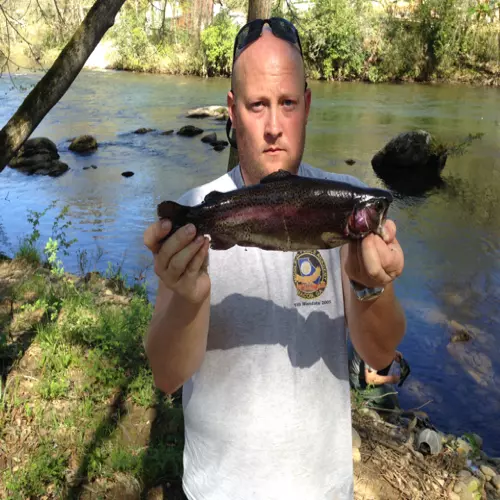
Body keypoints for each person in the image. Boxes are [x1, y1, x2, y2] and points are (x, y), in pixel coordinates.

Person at [143, 17, 406, 500]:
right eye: (256, 105)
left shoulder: (341, 202)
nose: (272, 127)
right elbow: (166, 375)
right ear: (231, 110)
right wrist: (187, 300)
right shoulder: (199, 211)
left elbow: (381, 354)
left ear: (306, 106)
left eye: (286, 103)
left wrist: (370, 284)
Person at [348, 346, 403, 411]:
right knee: (389, 404)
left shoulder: (373, 339)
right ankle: (366, 403)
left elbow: (381, 346)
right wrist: (393, 379)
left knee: (388, 360)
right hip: (357, 380)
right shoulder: (372, 350)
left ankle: (377, 384)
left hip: (358, 367)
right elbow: (370, 380)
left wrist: (392, 354)